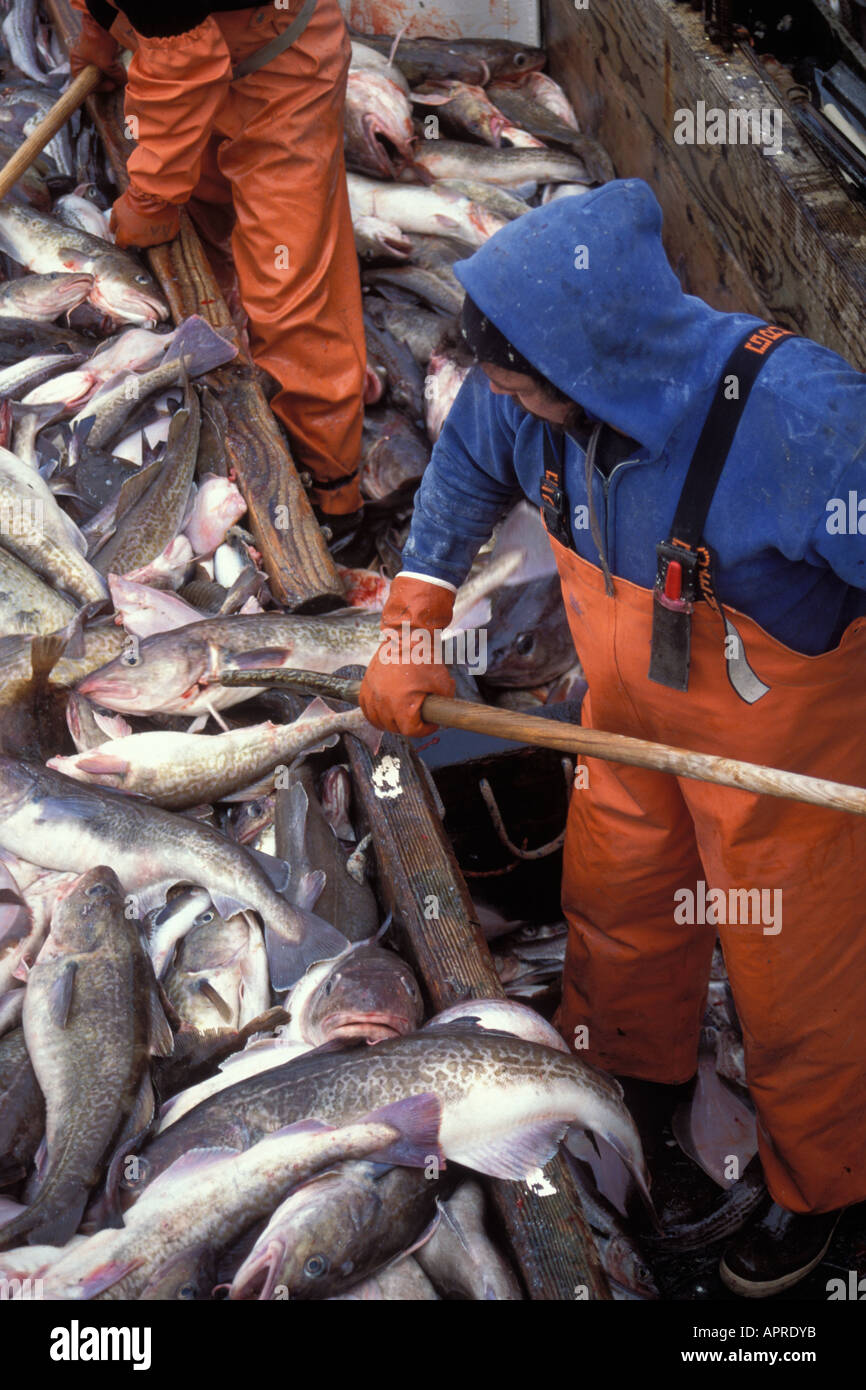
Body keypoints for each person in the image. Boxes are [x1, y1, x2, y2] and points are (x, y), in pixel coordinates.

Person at [359, 178, 866, 1298]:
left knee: (799, 978)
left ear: (592, 366)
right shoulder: (519, 390)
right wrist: (412, 617)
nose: (501, 404)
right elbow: (462, 469)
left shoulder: (812, 424)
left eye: (517, 388)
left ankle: (818, 1188)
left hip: (782, 764)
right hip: (630, 727)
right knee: (617, 899)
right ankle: (626, 1082)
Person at [70, 0, 366, 533]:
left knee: (290, 293)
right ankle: (234, 368)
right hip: (184, 60)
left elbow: (184, 60)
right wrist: (99, 28)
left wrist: (153, 199)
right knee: (208, 230)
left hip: (281, 70)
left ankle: (332, 491)